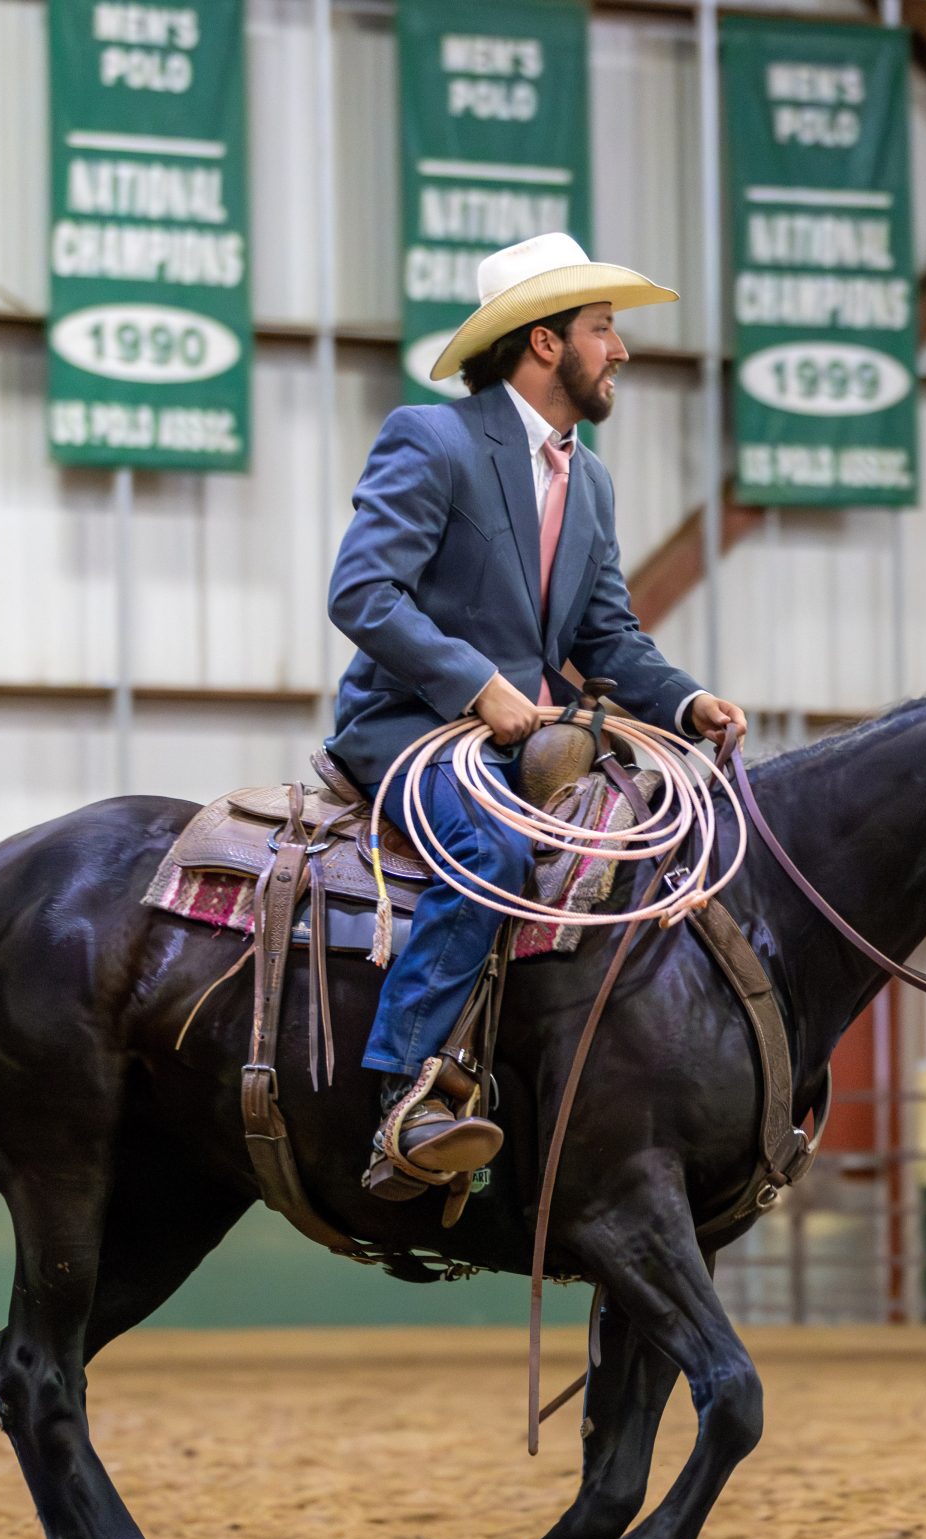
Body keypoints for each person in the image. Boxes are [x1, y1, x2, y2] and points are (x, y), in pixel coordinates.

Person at [325, 233, 748, 1194]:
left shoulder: (589, 480)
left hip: (526, 743)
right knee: (493, 854)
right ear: (545, 343)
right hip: (409, 732)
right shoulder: (430, 440)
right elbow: (363, 594)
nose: (622, 351)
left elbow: (607, 640)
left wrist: (685, 700)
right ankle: (405, 1098)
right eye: (604, 329)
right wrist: (477, 686)